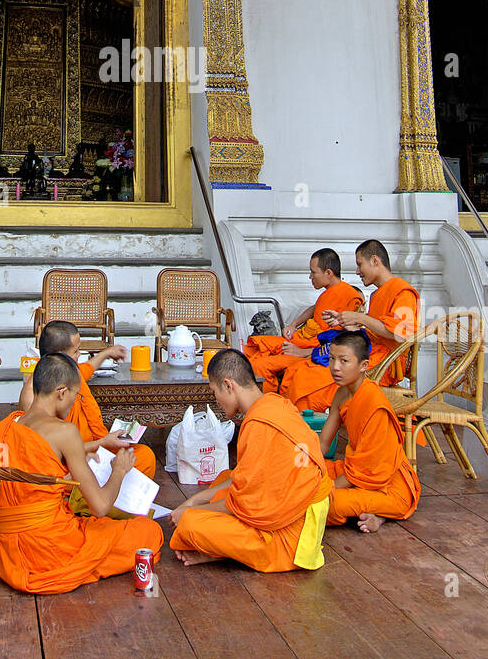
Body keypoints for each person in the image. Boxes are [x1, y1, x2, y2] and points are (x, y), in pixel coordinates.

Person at [0, 352, 163, 594]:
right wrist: (119, 470)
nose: (73, 403)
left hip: (8, 550)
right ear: (61, 392)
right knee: (149, 531)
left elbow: (28, 483)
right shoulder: (64, 431)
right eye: (75, 397)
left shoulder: (2, 428)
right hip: (52, 549)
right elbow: (99, 507)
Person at [169, 349, 333, 572]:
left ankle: (226, 553)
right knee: (224, 478)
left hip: (290, 536)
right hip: (289, 506)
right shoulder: (276, 403)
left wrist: (192, 513)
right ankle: (222, 550)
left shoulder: (258, 424)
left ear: (228, 385)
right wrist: (194, 501)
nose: (215, 400)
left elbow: (245, 504)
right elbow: (243, 480)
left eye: (214, 391)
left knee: (189, 526)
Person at [285, 239, 420, 413]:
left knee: (310, 381)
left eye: (359, 264)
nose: (357, 272)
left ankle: (309, 433)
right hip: (366, 356)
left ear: (374, 261)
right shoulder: (378, 294)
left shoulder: (402, 290)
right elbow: (375, 332)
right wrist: (345, 322)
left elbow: (401, 334)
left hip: (381, 366)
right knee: (303, 371)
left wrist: (360, 318)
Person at [19, 319, 158, 483]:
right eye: (76, 351)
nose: (79, 355)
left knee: (144, 456)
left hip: (95, 448)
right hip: (69, 462)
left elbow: (87, 368)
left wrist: (106, 353)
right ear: (60, 356)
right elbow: (49, 452)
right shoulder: (34, 396)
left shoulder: (69, 373)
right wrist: (101, 443)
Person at [317, 331, 420, 532]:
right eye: (332, 359)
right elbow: (322, 444)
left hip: (390, 487)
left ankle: (381, 512)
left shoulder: (374, 402)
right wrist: (301, 465)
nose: (335, 367)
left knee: (324, 502)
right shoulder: (341, 393)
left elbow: (371, 467)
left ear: (363, 365)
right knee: (308, 474)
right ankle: (373, 513)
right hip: (357, 474)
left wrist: (327, 487)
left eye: (344, 361)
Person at [244, 248, 364, 393]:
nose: (310, 277)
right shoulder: (328, 293)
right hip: (300, 341)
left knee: (260, 365)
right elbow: (315, 308)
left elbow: (340, 341)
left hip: (312, 351)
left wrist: (302, 351)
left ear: (328, 273)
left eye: (313, 272)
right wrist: (293, 325)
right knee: (254, 349)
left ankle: (267, 401)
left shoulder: (350, 297)